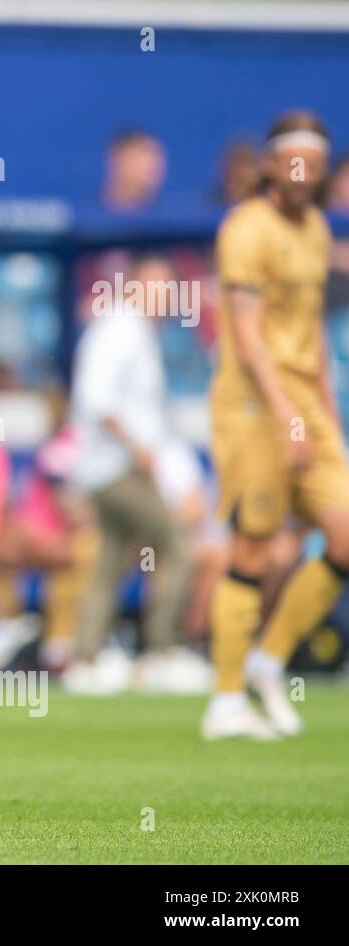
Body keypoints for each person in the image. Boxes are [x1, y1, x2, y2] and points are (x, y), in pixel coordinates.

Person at [203, 111, 347, 740]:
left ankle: (269, 660)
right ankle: (226, 701)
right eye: (293, 164)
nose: (302, 177)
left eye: (312, 167)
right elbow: (248, 334)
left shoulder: (317, 229)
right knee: (254, 546)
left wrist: (325, 400)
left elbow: (309, 327)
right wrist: (286, 410)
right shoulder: (244, 229)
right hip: (255, 406)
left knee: (343, 535)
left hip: (304, 404)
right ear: (269, 165)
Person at [67, 255, 196, 695]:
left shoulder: (136, 332)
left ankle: (85, 657)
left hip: (108, 469)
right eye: (155, 287)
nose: (163, 299)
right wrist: (136, 447)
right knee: (177, 546)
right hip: (117, 468)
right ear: (135, 285)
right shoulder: (120, 329)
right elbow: (95, 398)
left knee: (108, 561)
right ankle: (162, 650)